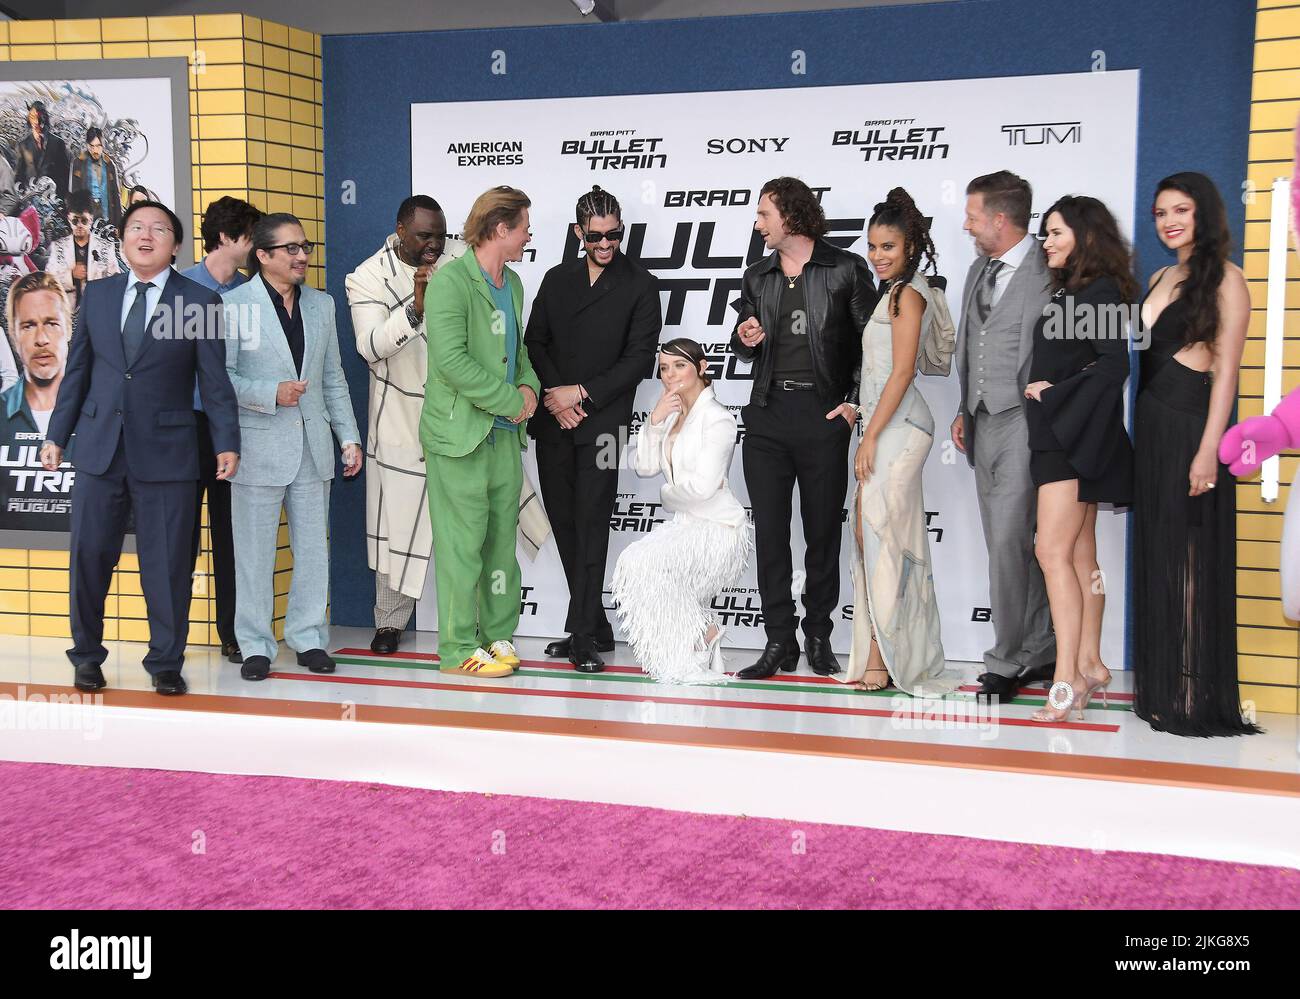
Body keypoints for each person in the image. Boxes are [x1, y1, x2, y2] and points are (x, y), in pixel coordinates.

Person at [41, 200, 240, 696]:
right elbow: (79, 371)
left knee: (170, 563)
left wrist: (226, 442)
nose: (145, 236)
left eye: (158, 229)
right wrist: (56, 435)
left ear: (175, 245)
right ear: (124, 239)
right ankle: (86, 656)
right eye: (135, 228)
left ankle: (166, 662)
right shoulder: (100, 296)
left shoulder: (198, 302)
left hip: (169, 451)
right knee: (89, 557)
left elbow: (215, 382)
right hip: (99, 450)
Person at [729, 177, 876, 680]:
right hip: (768, 416)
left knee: (821, 534)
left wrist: (854, 403)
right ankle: (778, 643)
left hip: (823, 416)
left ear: (790, 216)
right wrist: (745, 337)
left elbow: (873, 346)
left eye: (763, 214)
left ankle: (818, 637)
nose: (757, 223)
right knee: (771, 533)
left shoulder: (846, 269)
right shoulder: (758, 275)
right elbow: (745, 340)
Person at [1133, 173, 1260, 737]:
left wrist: (1210, 450)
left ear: (1204, 214)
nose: (1169, 221)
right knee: (1160, 554)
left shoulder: (1228, 281)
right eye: (1161, 212)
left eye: (1180, 210)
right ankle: (1163, 687)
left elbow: (1226, 374)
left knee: (1190, 561)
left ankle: (1191, 688)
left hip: (1192, 431)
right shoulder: (1161, 275)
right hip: (1153, 427)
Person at [525, 185, 660, 673]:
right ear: (579, 232)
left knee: (593, 522)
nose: (606, 244)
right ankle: (595, 621)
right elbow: (534, 342)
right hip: (554, 419)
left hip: (603, 424)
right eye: (596, 236)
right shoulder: (556, 279)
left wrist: (579, 393)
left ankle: (581, 631)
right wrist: (557, 398)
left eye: (615, 235)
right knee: (565, 523)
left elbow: (640, 360)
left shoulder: (641, 284)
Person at [223, 212, 362, 681]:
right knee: (255, 555)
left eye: (305, 247)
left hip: (313, 446)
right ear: (263, 256)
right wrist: (269, 394)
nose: (302, 256)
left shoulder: (322, 306)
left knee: (312, 552)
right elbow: (221, 378)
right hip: (257, 447)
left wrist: (348, 437)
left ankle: (308, 638)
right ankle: (256, 645)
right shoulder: (233, 305)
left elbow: (333, 378)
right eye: (291, 249)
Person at [1022, 196, 1137, 721]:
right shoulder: (1081, 291)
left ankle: (1065, 676)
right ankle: (1090, 662)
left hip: (1071, 438)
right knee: (1082, 558)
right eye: (1045, 233)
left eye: (1056, 232)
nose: (1046, 241)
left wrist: (1053, 392)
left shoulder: (1100, 292)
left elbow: (1115, 368)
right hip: (1072, 435)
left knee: (1051, 553)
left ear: (1085, 237)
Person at [841, 188, 959, 696]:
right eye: (872, 246)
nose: (877, 255)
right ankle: (885, 651)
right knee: (875, 541)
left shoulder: (908, 294)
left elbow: (903, 372)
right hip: (884, 427)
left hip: (899, 429)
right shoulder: (892, 293)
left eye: (887, 246)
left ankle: (882, 659)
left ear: (909, 247)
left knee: (884, 541)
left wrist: (869, 436)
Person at [420, 185, 541, 678]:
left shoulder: (511, 283)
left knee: (499, 550)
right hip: (459, 437)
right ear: (500, 229)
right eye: (524, 228)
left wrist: (530, 388)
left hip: (503, 440)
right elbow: (450, 362)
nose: (529, 235)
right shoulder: (450, 282)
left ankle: (497, 638)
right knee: (460, 548)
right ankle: (456, 649)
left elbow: (520, 352)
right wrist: (511, 400)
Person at [950, 170, 1056, 704]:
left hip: (1028, 422)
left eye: (972, 216)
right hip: (982, 421)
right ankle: (1041, 646)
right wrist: (963, 407)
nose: (966, 225)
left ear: (999, 218)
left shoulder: (1052, 268)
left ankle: (1007, 660)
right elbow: (971, 343)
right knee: (1009, 543)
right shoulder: (976, 270)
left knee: (1011, 541)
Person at [345, 195, 466, 655]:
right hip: (399, 416)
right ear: (400, 230)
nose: (435, 244)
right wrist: (416, 308)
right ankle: (389, 624)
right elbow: (369, 347)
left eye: (440, 233)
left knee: (465, 525)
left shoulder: (460, 256)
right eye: (424, 236)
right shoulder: (366, 275)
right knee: (396, 523)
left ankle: (468, 623)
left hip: (458, 413)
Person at [612, 339, 750, 684]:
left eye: (679, 365)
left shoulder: (718, 419)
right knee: (635, 564)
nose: (669, 374)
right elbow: (643, 466)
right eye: (663, 368)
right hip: (687, 525)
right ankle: (701, 634)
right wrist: (656, 421)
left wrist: (665, 496)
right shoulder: (671, 415)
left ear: (701, 368)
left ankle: (698, 638)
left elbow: (703, 489)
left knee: (642, 563)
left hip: (718, 528)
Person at [182, 195, 263, 665]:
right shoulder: (181, 289)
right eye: (251, 237)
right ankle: (173, 630)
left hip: (233, 426)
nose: (255, 248)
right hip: (188, 427)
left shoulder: (252, 294)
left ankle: (233, 632)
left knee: (233, 534)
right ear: (228, 237)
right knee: (181, 534)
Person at [3, 271, 72, 440]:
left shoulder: (104, 413)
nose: (41, 339)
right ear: (13, 335)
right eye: (28, 326)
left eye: (51, 324)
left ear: (68, 329)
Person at [45, 190, 120, 310]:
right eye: (75, 221)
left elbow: (116, 282)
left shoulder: (105, 247)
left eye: (84, 221)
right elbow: (48, 281)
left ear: (91, 220)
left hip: (97, 312)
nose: (79, 225)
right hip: (66, 315)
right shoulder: (58, 247)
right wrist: (71, 276)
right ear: (69, 220)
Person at [15, 102, 70, 203]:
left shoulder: (58, 143)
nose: (35, 121)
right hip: (30, 200)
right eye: (32, 117)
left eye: (38, 117)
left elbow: (65, 175)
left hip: (54, 200)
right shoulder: (22, 145)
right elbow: (19, 175)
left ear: (44, 117)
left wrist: (62, 199)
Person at [68, 127, 122, 225]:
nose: (95, 150)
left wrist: (119, 224)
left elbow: (116, 195)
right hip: (87, 212)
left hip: (106, 211)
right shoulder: (79, 163)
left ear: (102, 145)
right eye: (91, 146)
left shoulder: (109, 164)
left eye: (98, 146)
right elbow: (74, 193)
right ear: (87, 146)